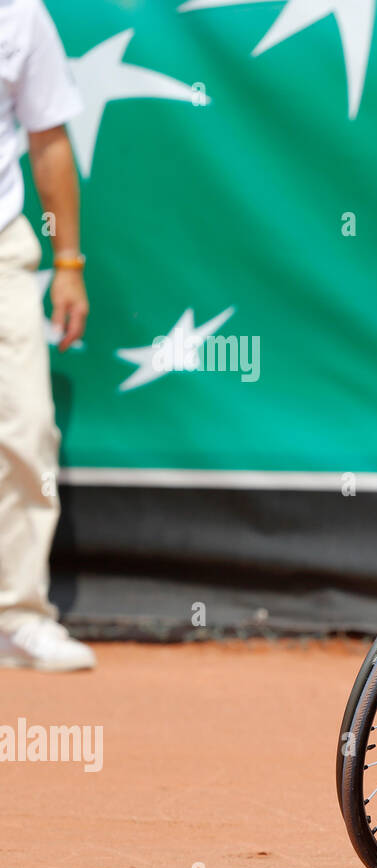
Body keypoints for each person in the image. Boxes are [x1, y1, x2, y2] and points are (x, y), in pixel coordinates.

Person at [0, 0, 93, 671]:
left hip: (4, 248)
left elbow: (48, 137)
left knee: (28, 427)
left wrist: (68, 264)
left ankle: (18, 618)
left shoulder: (21, 14)